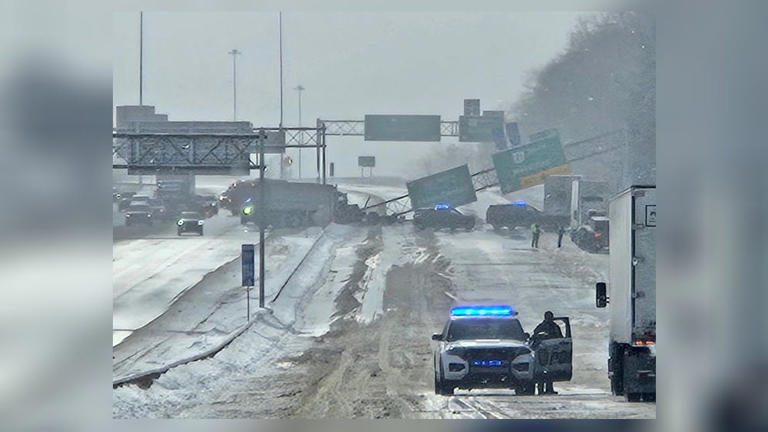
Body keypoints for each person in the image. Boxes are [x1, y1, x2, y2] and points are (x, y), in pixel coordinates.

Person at [532, 311, 563, 395]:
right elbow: (534, 338)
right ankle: (541, 389)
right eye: (548, 316)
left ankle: (549, 389)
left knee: (550, 371)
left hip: (552, 352)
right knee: (541, 371)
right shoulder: (541, 327)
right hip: (542, 353)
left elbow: (560, 339)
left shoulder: (555, 327)